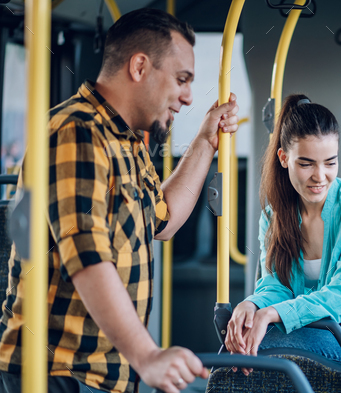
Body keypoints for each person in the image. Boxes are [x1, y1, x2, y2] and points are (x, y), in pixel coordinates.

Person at [0, 9, 239, 393]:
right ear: (140, 66)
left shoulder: (126, 140)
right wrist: (148, 355)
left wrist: (205, 142)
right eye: (181, 79)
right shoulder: (77, 132)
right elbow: (88, 257)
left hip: (104, 372)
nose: (189, 96)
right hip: (59, 373)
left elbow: (164, 220)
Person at [224, 94, 341, 393]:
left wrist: (272, 314)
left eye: (330, 162)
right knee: (246, 344)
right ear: (283, 158)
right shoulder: (274, 215)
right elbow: (277, 285)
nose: (320, 176)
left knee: (266, 344)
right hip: (323, 331)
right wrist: (250, 305)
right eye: (306, 164)